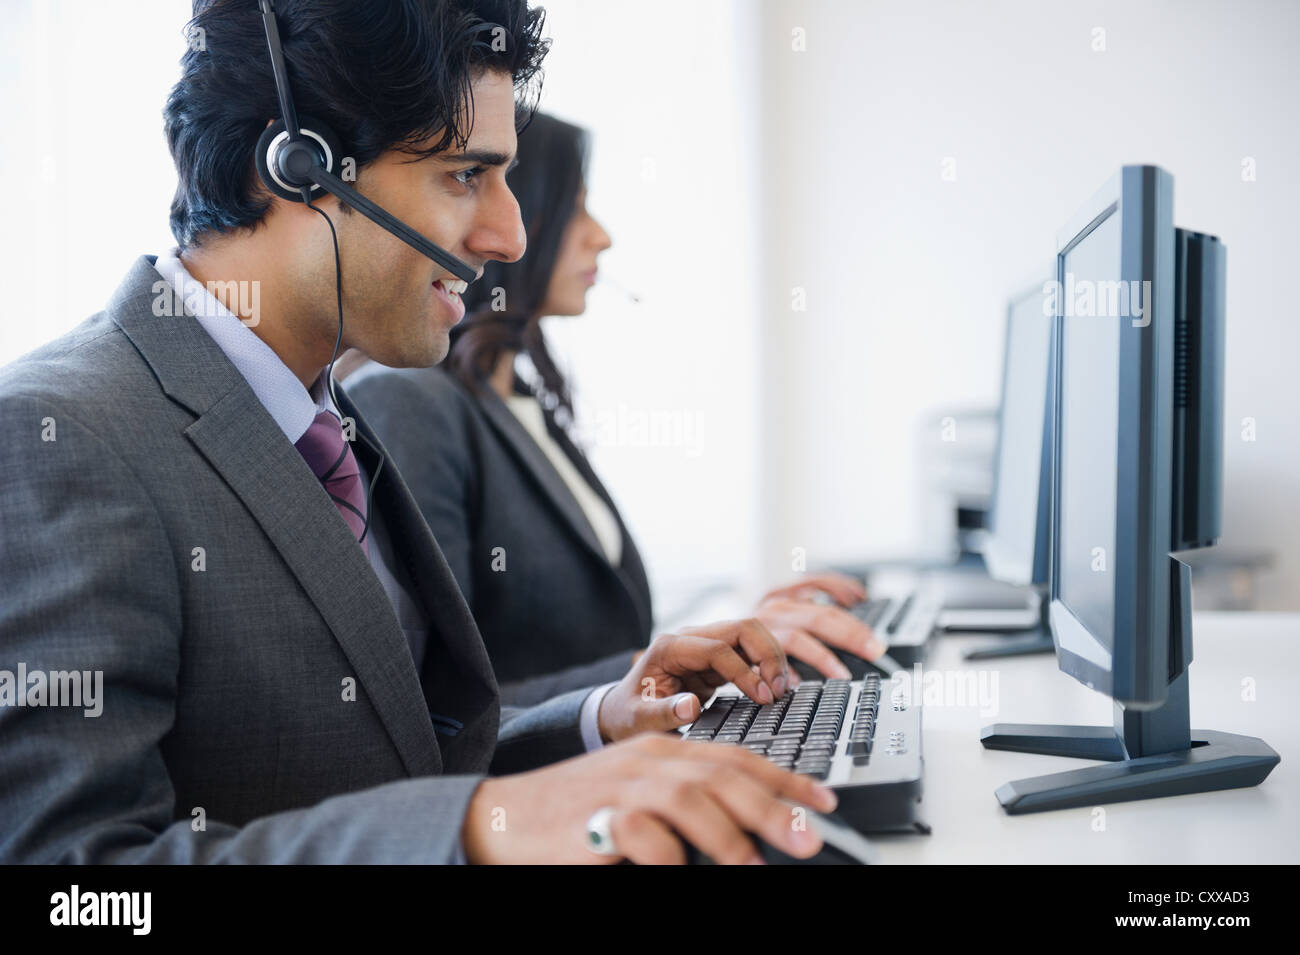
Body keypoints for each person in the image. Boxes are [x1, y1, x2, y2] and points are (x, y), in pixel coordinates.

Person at [0, 0, 837, 866]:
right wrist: (472, 832)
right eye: (465, 175)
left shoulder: (320, 414)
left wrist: (599, 721)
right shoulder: (59, 436)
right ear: (295, 168)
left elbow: (394, 763)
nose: (509, 235)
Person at [346, 112, 891, 707]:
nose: (600, 236)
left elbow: (596, 652)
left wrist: (728, 644)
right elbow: (434, 710)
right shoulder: (409, 403)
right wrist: (653, 671)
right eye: (576, 207)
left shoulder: (520, 402)